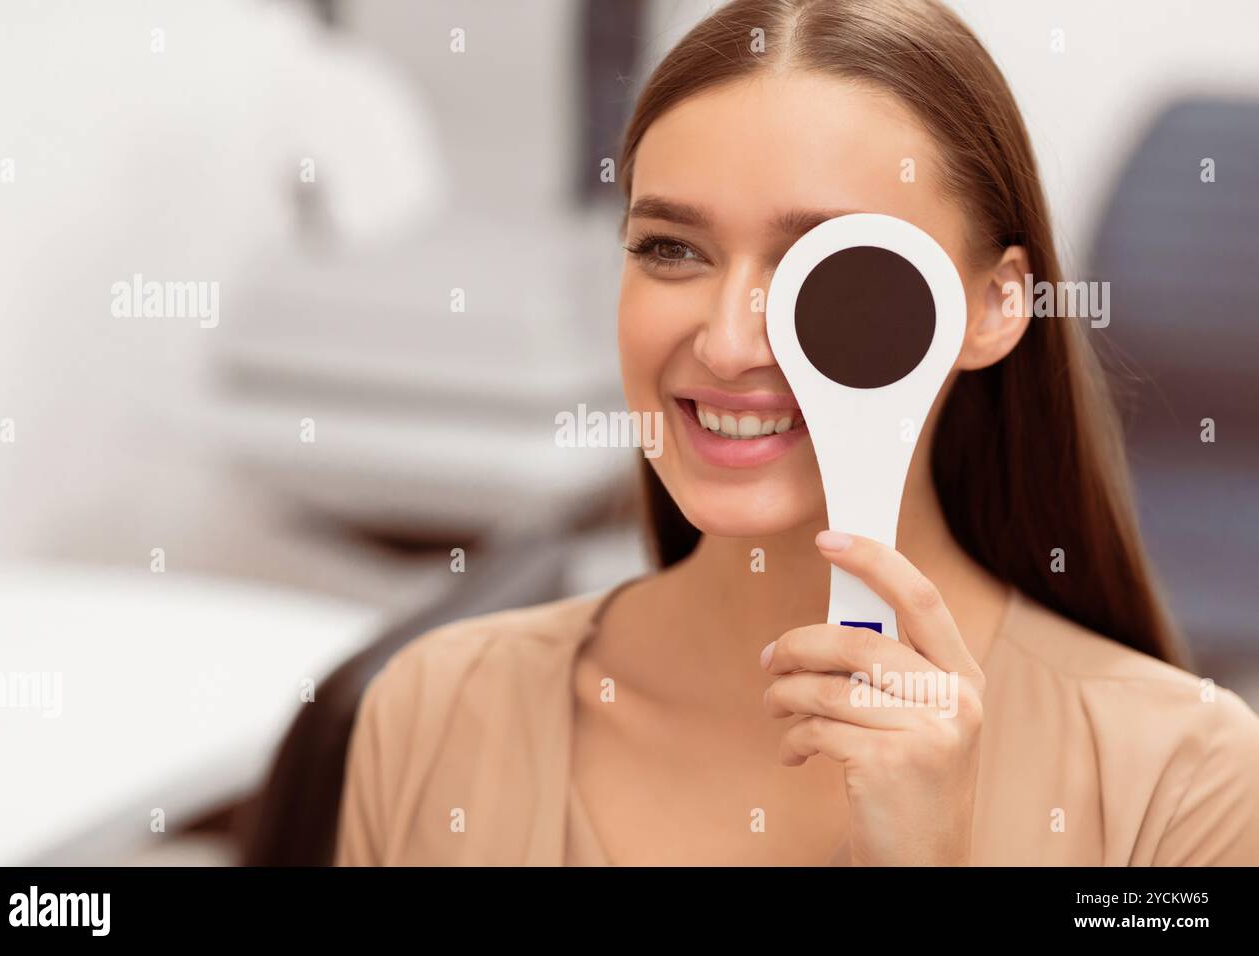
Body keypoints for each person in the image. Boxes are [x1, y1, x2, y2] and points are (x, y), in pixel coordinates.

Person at [334, 0, 1259, 866]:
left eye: (829, 265)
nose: (730, 341)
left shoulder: (1186, 782)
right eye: (671, 249)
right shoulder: (432, 712)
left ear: (992, 306)